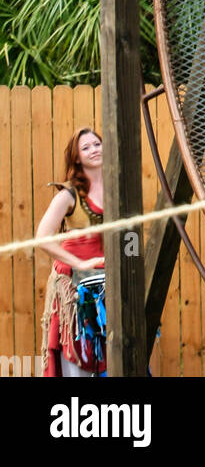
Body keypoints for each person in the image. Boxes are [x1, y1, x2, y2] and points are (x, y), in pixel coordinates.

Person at [38, 127, 106, 377]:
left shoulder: (119, 188)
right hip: (73, 290)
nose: (94, 150)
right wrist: (81, 263)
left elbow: (129, 231)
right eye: (86, 147)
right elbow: (43, 238)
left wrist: (129, 261)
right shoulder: (68, 194)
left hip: (106, 286)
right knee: (77, 358)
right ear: (77, 158)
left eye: (97, 144)